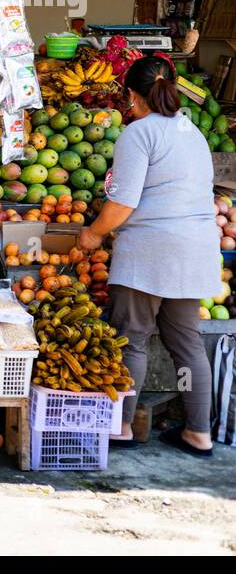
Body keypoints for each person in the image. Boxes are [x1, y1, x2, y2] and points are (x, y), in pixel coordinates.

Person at [78, 56, 218, 457]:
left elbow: (122, 204)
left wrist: (92, 234)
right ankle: (198, 432)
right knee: (188, 345)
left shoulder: (138, 134)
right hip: (196, 249)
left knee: (132, 339)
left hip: (151, 251)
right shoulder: (192, 132)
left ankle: (120, 425)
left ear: (131, 95)